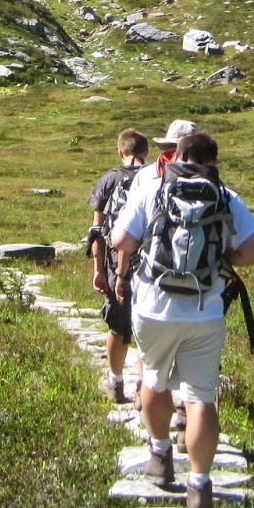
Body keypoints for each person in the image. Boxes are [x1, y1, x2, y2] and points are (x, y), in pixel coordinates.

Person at [112, 131, 254, 508]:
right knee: (201, 398)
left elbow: (121, 240)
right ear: (213, 161)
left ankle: (160, 457)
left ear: (177, 155)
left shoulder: (153, 187)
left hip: (154, 306)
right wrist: (223, 257)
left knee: (154, 380)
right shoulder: (226, 196)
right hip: (205, 310)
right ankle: (199, 485)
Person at [86, 127, 148, 403]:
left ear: (120, 152)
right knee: (147, 330)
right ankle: (144, 389)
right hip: (151, 262)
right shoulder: (155, 178)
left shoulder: (109, 180)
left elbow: (96, 231)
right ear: (145, 153)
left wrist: (98, 270)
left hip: (115, 262)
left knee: (118, 326)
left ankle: (115, 382)